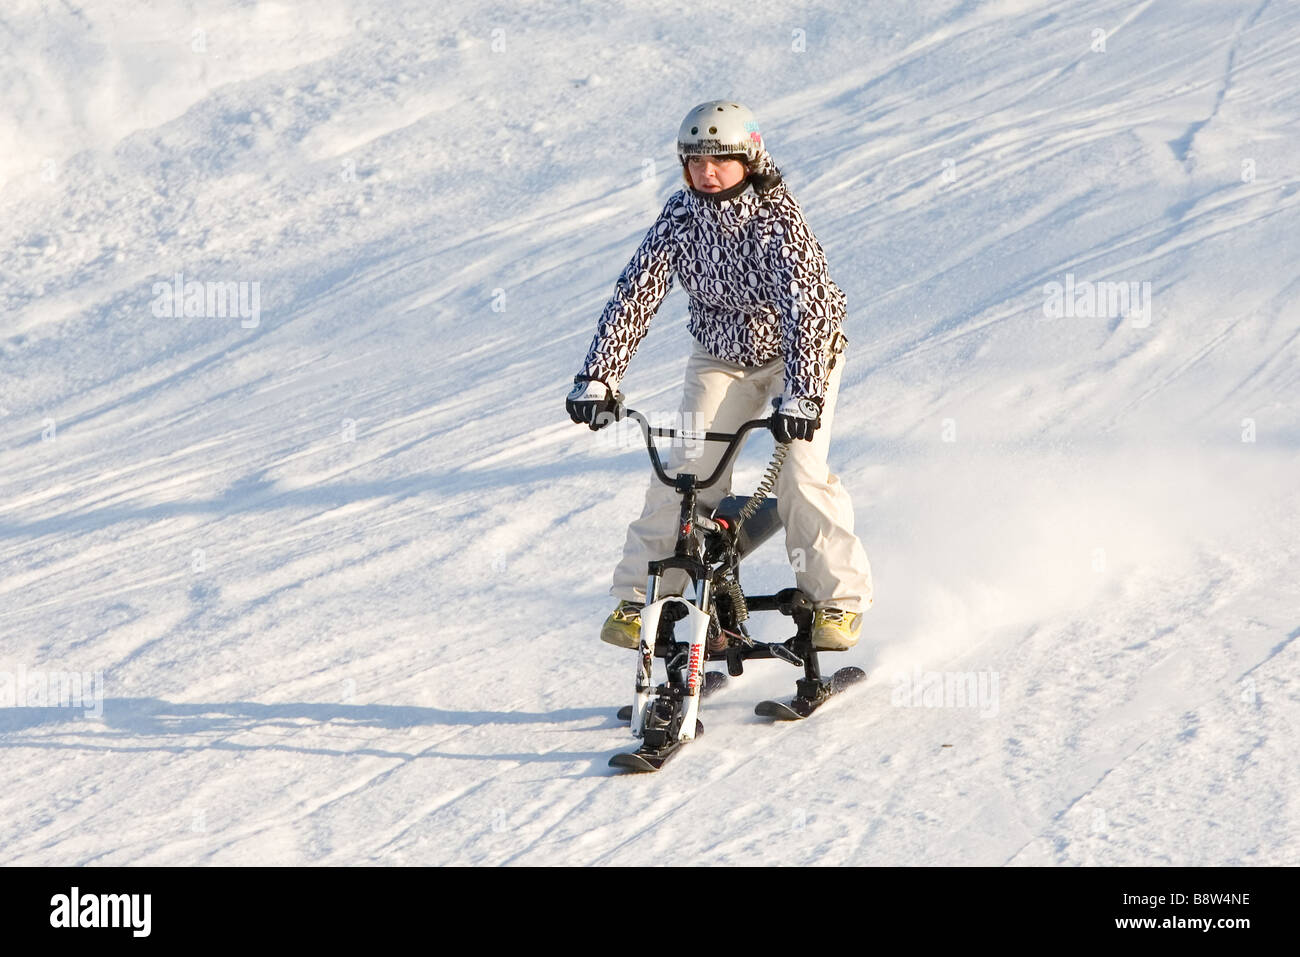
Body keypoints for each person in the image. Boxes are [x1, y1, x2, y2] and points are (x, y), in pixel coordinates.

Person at [566, 100, 873, 652]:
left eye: (720, 161)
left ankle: (838, 602)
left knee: (799, 477)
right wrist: (599, 377)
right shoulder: (680, 216)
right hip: (719, 358)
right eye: (695, 162)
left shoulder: (777, 220)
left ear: (748, 160)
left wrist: (801, 394)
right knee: (684, 472)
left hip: (797, 357)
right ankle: (641, 599)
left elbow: (810, 310)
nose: (706, 174)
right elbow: (636, 291)